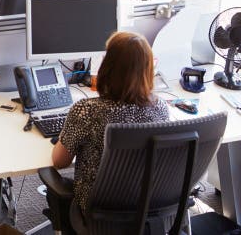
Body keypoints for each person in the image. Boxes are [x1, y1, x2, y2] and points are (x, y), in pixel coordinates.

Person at [52, 31, 169, 217]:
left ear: (107, 67)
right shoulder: (160, 108)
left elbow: (59, 162)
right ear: (148, 69)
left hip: (97, 212)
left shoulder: (87, 110)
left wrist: (64, 134)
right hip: (144, 208)